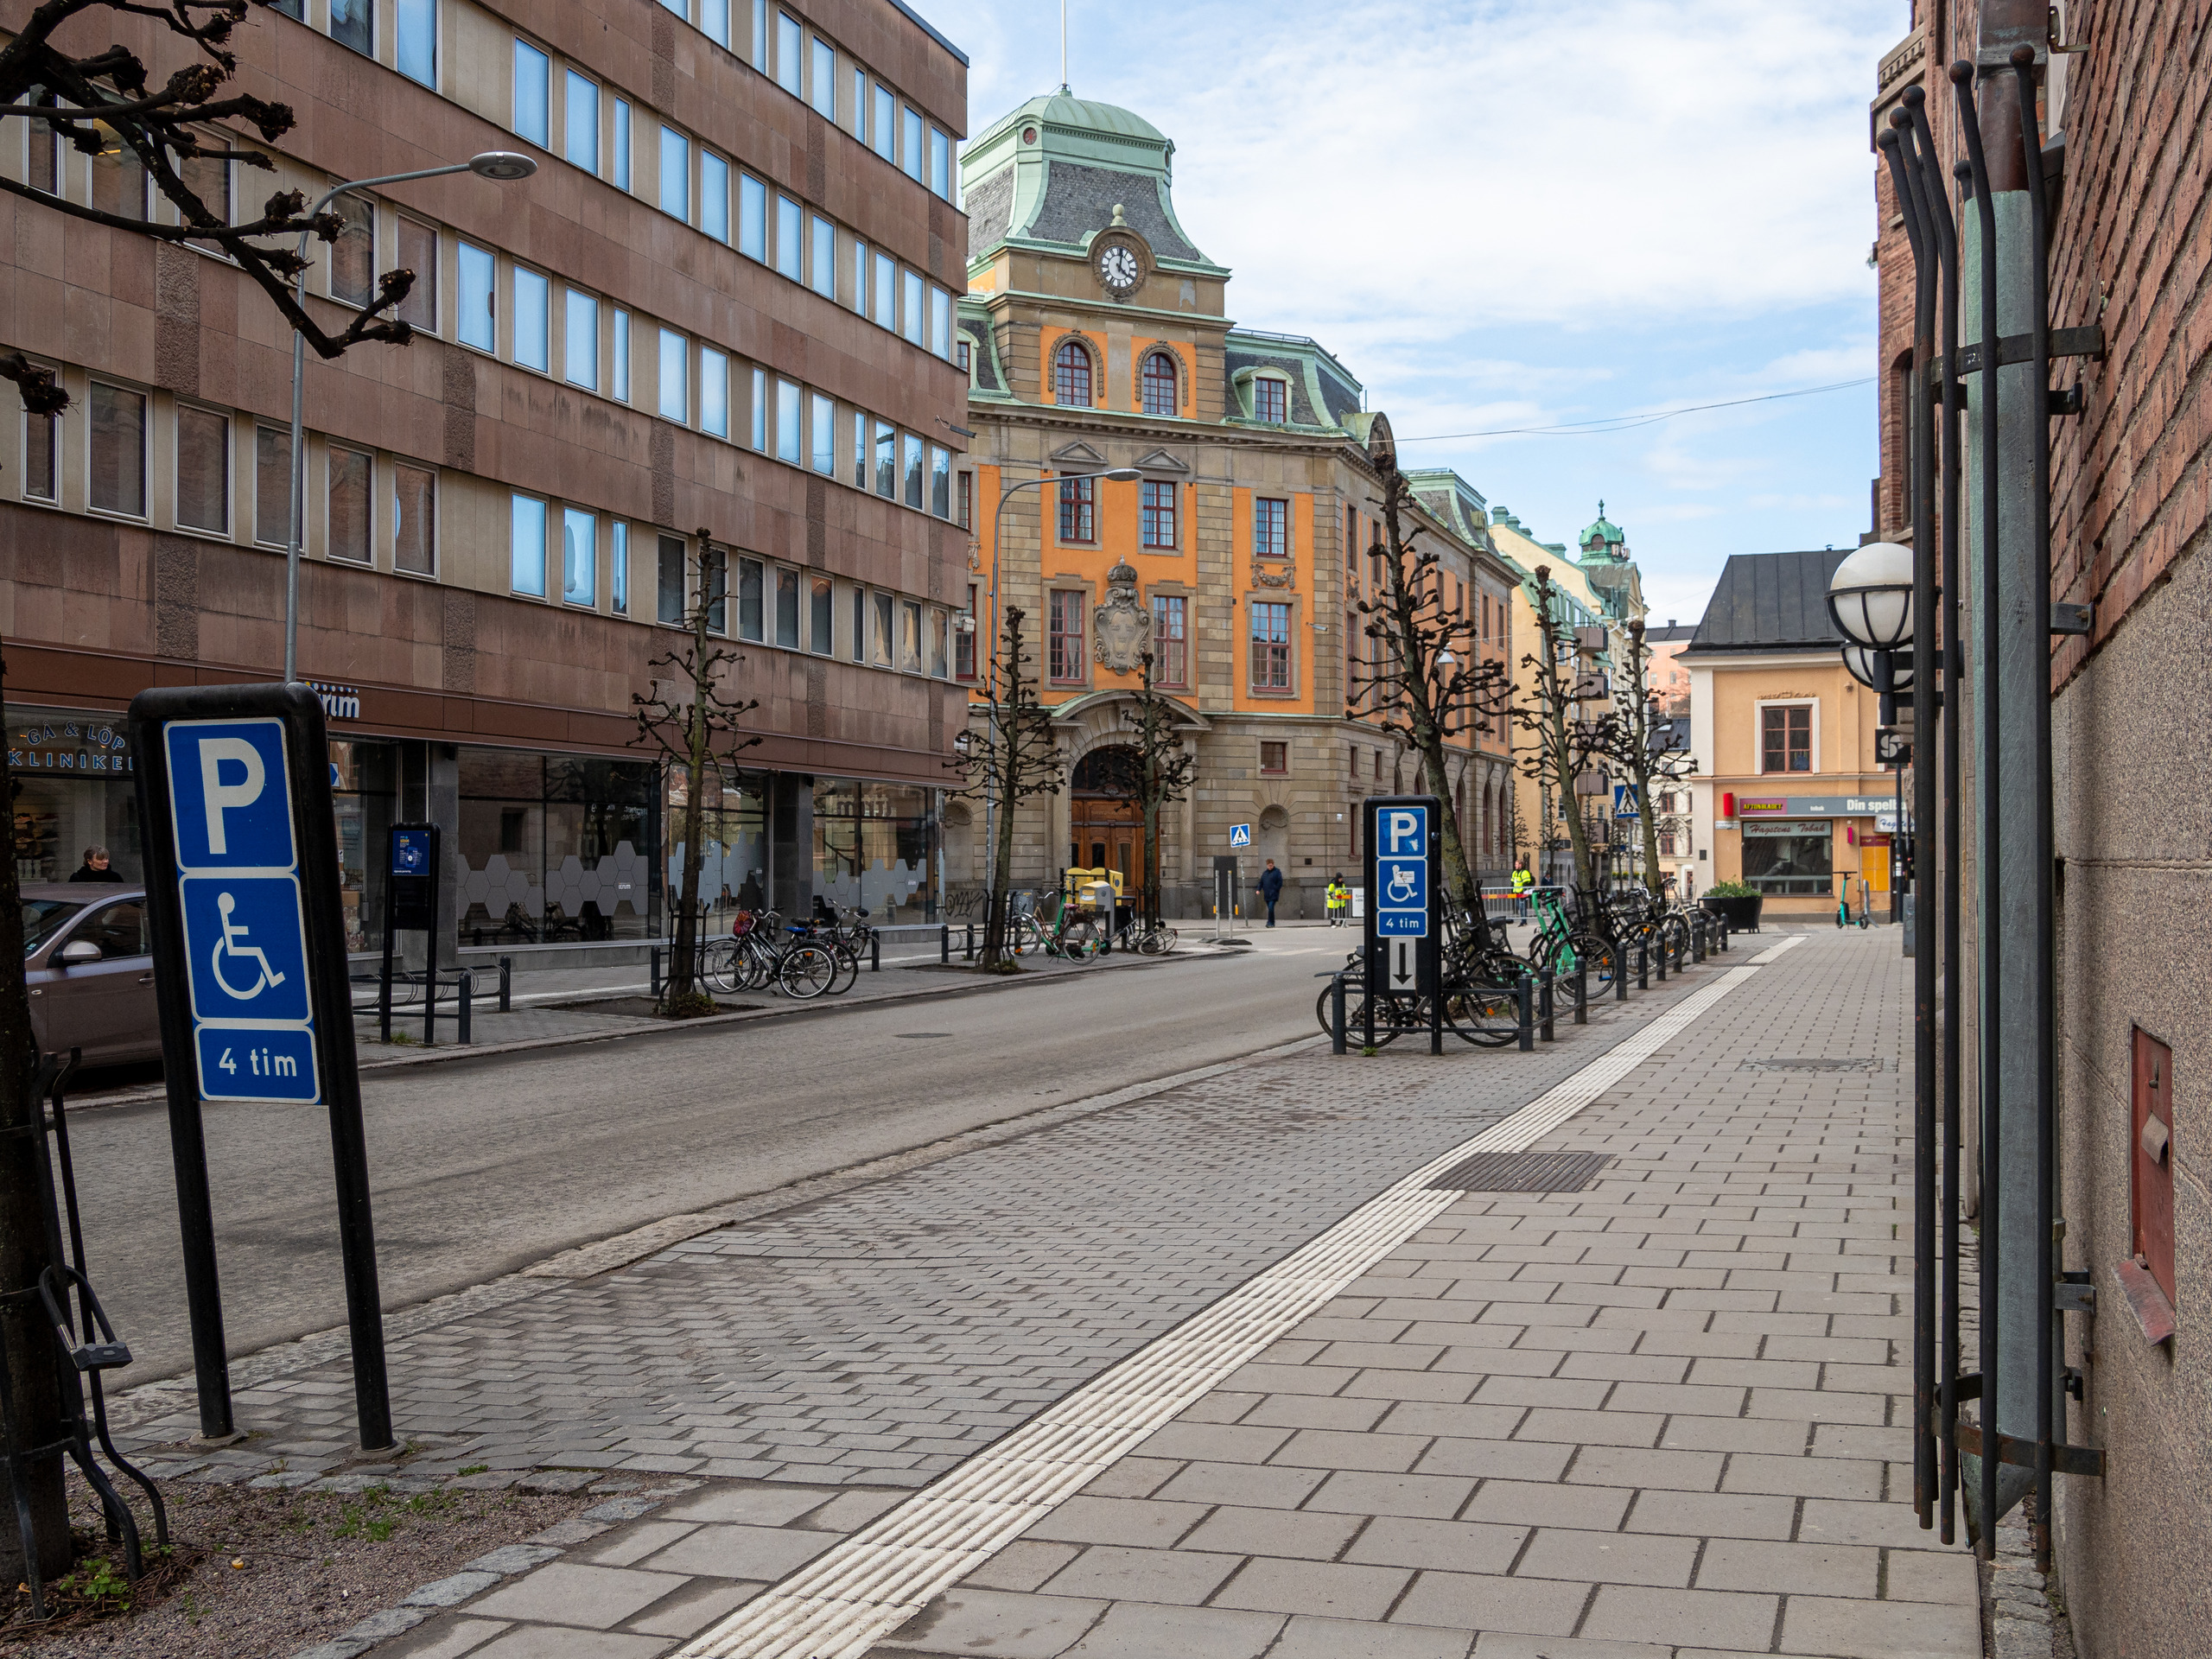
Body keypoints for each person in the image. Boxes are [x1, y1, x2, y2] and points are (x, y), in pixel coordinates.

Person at [1258, 859, 1284, 928]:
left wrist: (1276, 889)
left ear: (1273, 864)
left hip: (1273, 894)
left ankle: (1270, 922)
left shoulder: (1277, 872)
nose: (1270, 867)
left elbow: (1280, 882)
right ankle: (1271, 922)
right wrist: (1258, 889)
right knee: (1270, 909)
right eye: (1269, 866)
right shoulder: (1265, 873)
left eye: (1271, 865)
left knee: (1271, 907)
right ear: (1267, 865)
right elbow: (1261, 882)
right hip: (1267, 894)